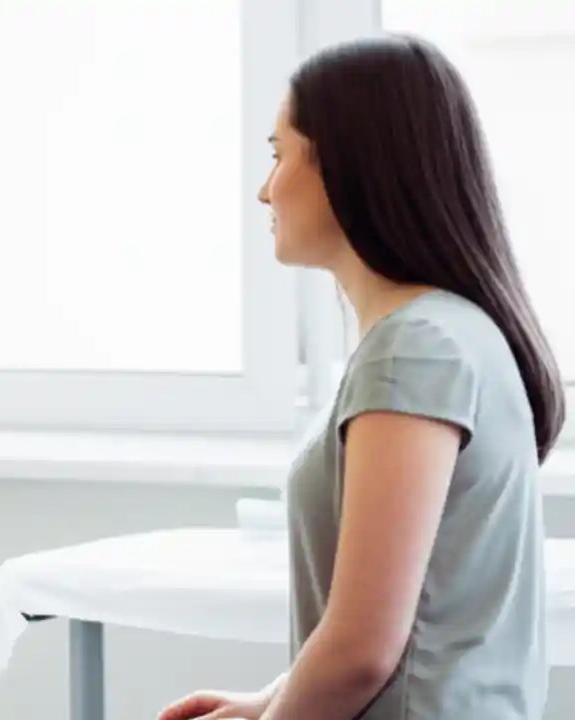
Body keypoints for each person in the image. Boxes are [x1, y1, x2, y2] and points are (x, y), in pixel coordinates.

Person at [160, 35, 565, 720]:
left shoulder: (416, 349)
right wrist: (267, 703)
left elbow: (362, 651)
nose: (265, 188)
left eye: (278, 153)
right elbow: (407, 631)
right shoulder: (452, 334)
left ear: (348, 165)